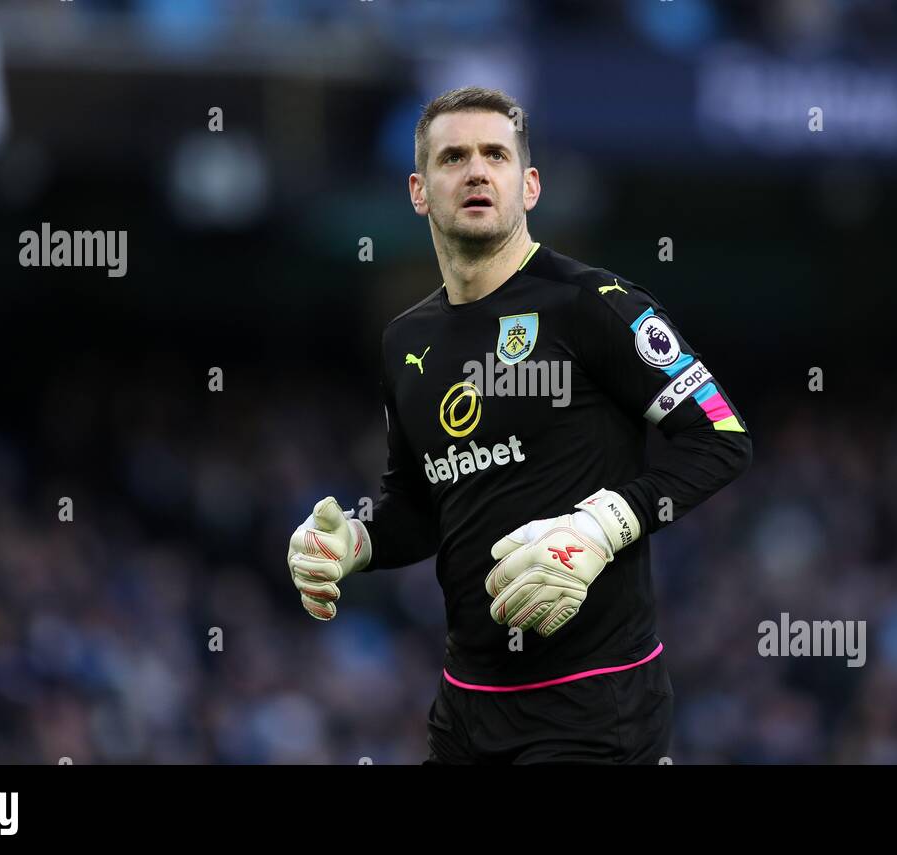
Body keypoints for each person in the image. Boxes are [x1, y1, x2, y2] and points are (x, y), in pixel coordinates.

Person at [287, 86, 753, 764]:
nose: (476, 171)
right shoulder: (405, 341)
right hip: (466, 707)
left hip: (596, 704)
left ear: (528, 184)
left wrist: (603, 524)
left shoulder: (593, 305)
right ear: (419, 190)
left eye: (495, 155)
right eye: (453, 157)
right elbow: (421, 507)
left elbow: (722, 436)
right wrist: (355, 541)